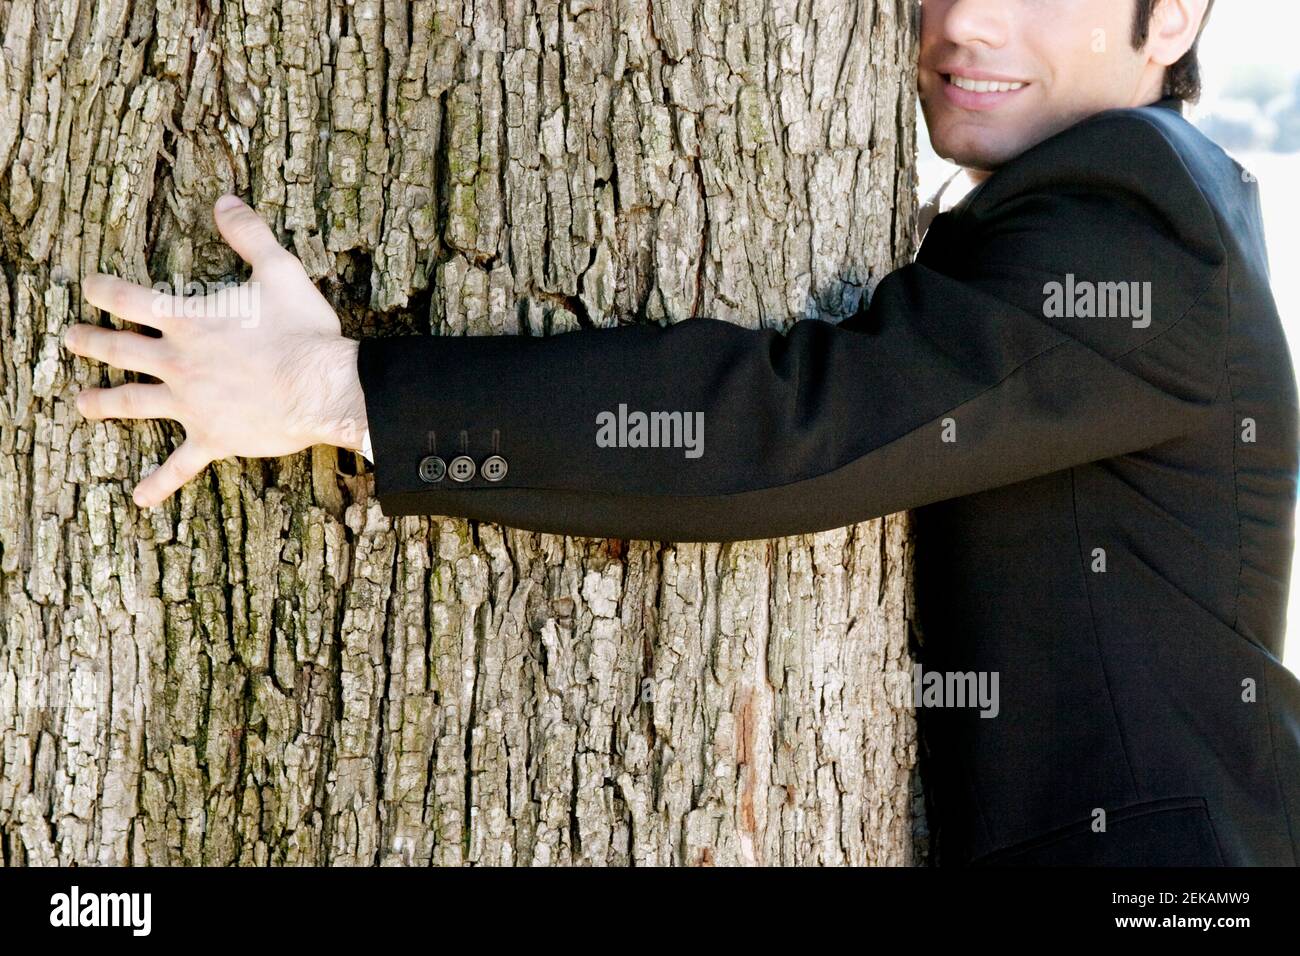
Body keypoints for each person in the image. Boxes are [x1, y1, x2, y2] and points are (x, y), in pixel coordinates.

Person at [64, 0, 1300, 865]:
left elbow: (795, 426)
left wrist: (338, 391)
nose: (961, 20)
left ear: (1174, 14)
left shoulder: (1136, 227)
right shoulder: (1171, 195)